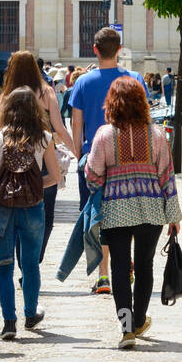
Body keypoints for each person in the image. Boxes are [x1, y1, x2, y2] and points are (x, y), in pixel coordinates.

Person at [84, 76, 181, 348]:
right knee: (145, 265)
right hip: (151, 211)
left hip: (116, 210)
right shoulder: (157, 134)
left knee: (120, 268)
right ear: (141, 102)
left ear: (112, 103)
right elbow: (167, 176)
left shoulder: (104, 135)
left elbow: (93, 176)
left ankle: (126, 328)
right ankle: (138, 321)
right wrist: (173, 216)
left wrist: (99, 176)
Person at [68, 28, 149, 294]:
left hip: (95, 160)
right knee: (130, 212)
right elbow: (145, 122)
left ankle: (103, 276)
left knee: (98, 217)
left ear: (94, 50)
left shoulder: (81, 83)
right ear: (119, 49)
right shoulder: (135, 79)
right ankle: (125, 264)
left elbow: (76, 127)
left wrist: (80, 157)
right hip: (130, 158)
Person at [0, 86, 59, 340]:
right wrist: (33, 188)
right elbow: (55, 177)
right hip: (33, 207)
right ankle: (30, 314)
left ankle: (8, 322)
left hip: (3, 207)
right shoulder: (44, 138)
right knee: (30, 264)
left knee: (4, 266)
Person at [0, 51, 75, 263]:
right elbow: (59, 127)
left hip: (15, 161)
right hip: (44, 156)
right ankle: (34, 260)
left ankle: (24, 260)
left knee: (17, 212)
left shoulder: (6, 95)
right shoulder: (46, 92)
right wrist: (76, 150)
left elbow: (0, 131)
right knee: (47, 215)